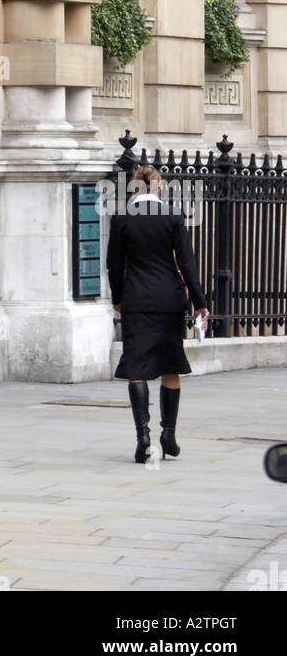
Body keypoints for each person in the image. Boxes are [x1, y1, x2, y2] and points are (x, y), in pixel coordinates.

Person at [107, 164, 209, 462]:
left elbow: (115, 265)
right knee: (170, 366)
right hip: (169, 300)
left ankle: (143, 438)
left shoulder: (122, 218)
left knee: (137, 369)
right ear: (159, 187)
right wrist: (200, 301)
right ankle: (169, 434)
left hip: (136, 299)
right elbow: (187, 263)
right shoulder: (173, 217)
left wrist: (118, 298)